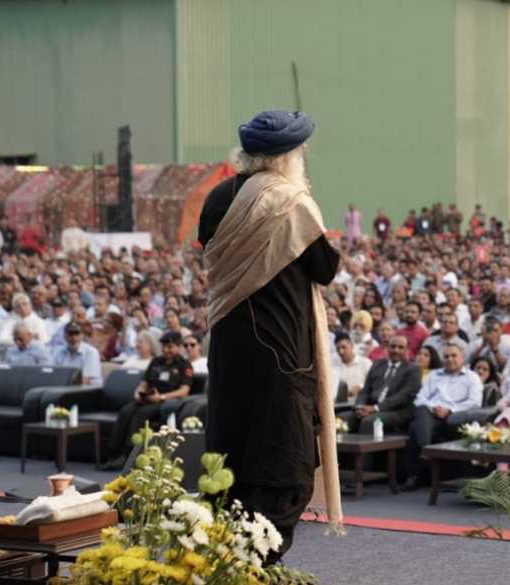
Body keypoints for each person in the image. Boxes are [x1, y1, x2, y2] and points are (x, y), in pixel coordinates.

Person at [197, 110, 344, 551]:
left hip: (228, 344)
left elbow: (209, 247)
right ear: (285, 157)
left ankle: (226, 562)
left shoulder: (217, 197)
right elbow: (325, 268)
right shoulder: (290, 201)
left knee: (231, 460)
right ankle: (258, 566)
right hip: (282, 353)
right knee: (285, 469)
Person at [104, 332, 192, 469]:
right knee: (125, 411)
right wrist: (138, 393)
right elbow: (144, 382)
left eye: (170, 347)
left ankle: (129, 455)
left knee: (141, 415)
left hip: (164, 400)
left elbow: (184, 390)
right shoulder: (156, 361)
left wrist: (161, 397)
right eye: (164, 346)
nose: (166, 350)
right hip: (148, 397)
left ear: (179, 347)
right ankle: (113, 454)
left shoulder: (184, 364)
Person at [401, 343, 483, 491]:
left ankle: (415, 473)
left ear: (462, 358)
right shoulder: (434, 375)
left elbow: (475, 403)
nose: (450, 359)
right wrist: (433, 408)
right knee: (421, 409)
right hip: (430, 415)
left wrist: (450, 410)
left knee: (415, 428)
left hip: (454, 417)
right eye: (446, 356)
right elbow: (420, 398)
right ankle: (425, 450)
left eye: (454, 356)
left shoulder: (472, 377)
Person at [346, 335, 421, 434]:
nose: (396, 350)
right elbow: (365, 391)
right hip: (370, 408)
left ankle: (366, 449)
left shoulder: (413, 369)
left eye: (400, 347)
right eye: (393, 346)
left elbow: (403, 397)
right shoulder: (378, 364)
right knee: (343, 418)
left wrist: (376, 408)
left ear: (407, 350)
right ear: (387, 348)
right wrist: (359, 406)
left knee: (369, 422)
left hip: (396, 411)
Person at [333, 332, 372, 402]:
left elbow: (373, 383)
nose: (341, 352)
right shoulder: (333, 365)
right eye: (338, 349)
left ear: (352, 345)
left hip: (360, 403)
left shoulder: (366, 363)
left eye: (343, 347)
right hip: (338, 404)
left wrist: (360, 387)